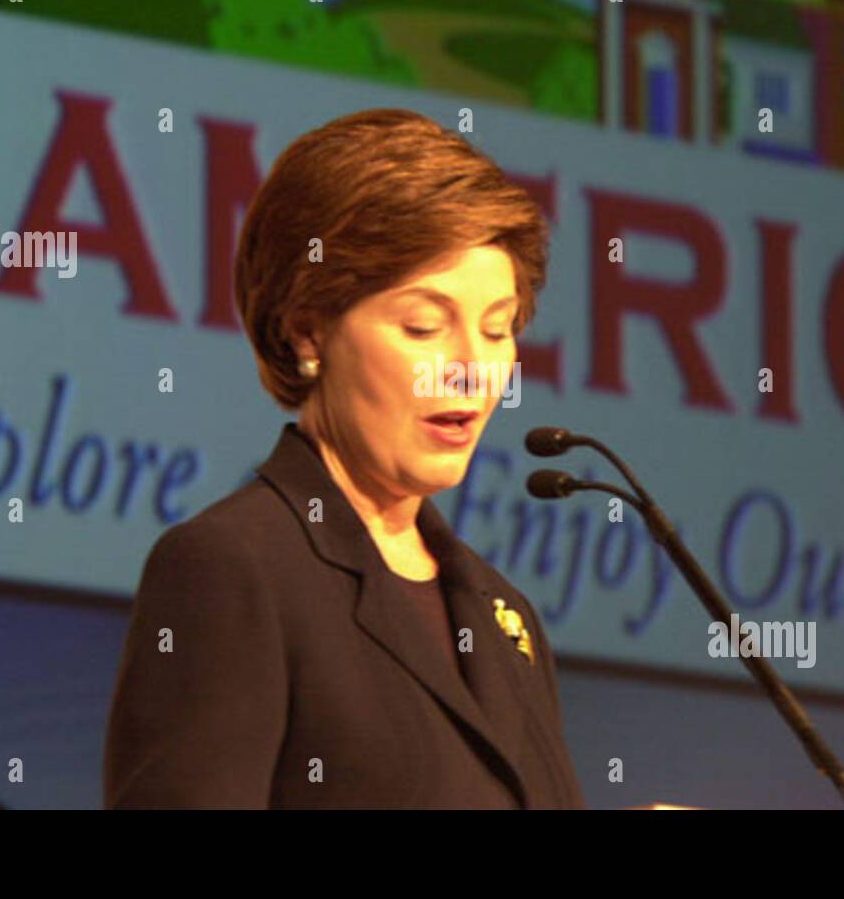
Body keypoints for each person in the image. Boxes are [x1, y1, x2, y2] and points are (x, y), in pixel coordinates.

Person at [102, 108, 585, 809]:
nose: (473, 371)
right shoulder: (233, 569)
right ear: (308, 330)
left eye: (497, 329)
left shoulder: (505, 617)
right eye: (424, 326)